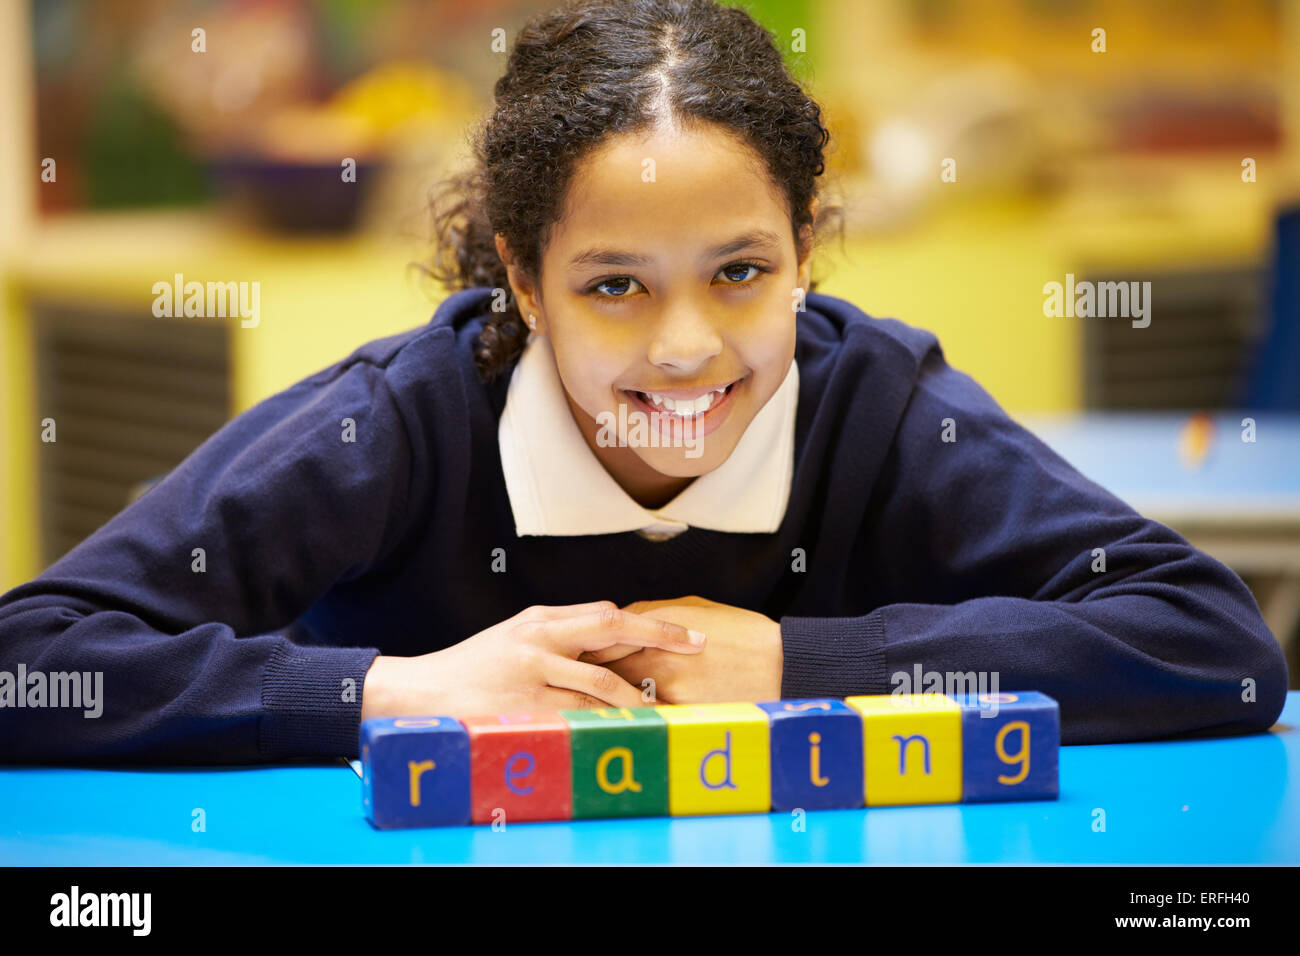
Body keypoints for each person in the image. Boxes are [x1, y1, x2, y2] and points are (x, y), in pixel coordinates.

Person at [0, 0, 1285, 764]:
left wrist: (798, 661)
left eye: (739, 271)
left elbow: (1215, 647)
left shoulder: (882, 413)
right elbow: (29, 660)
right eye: (614, 284)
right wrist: (389, 689)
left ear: (805, 249)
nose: (685, 345)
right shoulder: (398, 423)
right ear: (520, 271)